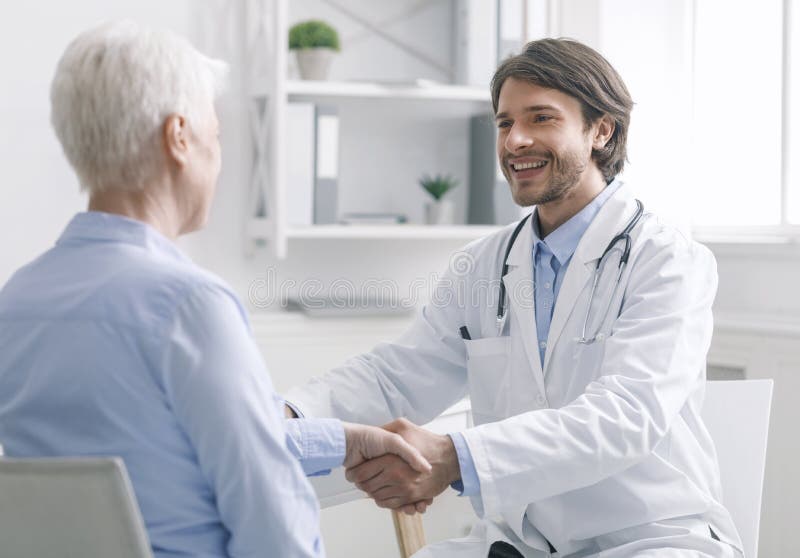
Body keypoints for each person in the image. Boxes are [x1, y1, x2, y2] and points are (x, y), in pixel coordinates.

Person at [285, 38, 743, 557]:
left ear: (601, 129)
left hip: (645, 540)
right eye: (504, 123)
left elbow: (625, 415)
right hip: (522, 544)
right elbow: (398, 373)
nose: (515, 140)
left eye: (541, 118)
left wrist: (454, 457)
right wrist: (289, 415)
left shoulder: (667, 260)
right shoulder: (483, 264)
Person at [0, 21, 430, 558]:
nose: (218, 156)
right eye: (216, 134)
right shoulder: (188, 306)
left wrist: (342, 439)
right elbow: (272, 524)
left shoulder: (17, 301)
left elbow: (163, 449)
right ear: (178, 136)